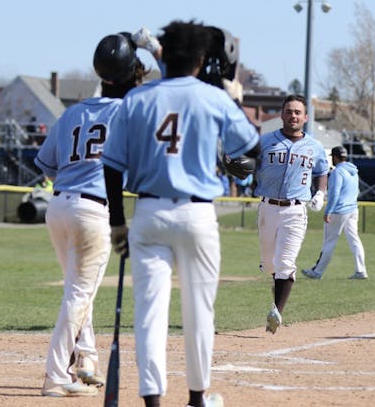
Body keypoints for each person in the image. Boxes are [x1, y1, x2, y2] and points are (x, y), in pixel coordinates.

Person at [102, 20, 259, 407]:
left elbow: (112, 166)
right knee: (199, 309)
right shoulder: (213, 97)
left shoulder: (136, 99)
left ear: (163, 56)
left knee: (150, 311)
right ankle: (196, 397)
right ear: (200, 60)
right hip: (197, 214)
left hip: (149, 211)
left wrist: (117, 222)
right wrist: (229, 103)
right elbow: (252, 147)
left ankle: (152, 400)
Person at [34, 31, 148, 398]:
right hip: (94, 210)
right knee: (80, 293)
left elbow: (46, 165)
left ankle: (87, 359)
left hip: (58, 206)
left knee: (79, 288)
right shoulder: (127, 112)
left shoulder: (72, 112)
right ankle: (56, 376)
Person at [254, 94, 329, 334]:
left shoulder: (314, 147)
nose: (293, 116)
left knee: (285, 262)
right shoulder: (265, 141)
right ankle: (276, 286)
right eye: (289, 111)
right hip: (267, 207)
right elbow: (247, 164)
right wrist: (238, 167)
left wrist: (321, 192)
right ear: (281, 115)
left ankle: (276, 312)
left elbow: (322, 170)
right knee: (270, 264)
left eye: (298, 112)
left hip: (295, 210)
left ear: (305, 117)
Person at [302, 146, 367, 280]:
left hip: (339, 210)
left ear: (335, 157)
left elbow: (334, 193)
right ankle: (361, 270)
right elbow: (357, 191)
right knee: (354, 240)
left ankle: (317, 271)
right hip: (352, 209)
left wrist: (328, 211)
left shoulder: (337, 172)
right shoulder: (353, 171)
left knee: (329, 242)